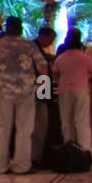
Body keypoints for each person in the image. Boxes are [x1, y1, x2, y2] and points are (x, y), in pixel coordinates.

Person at [0, 17, 44, 175]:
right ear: (19, 28)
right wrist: (42, 88)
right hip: (26, 89)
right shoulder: (28, 44)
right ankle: (22, 165)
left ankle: (1, 165)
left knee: (3, 128)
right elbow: (42, 66)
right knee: (24, 129)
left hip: (4, 90)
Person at [53, 29, 92, 153]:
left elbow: (55, 74)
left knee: (66, 121)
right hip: (81, 89)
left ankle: (69, 149)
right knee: (82, 121)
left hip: (64, 90)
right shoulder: (85, 58)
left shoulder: (60, 58)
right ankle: (86, 151)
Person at [31, 25, 58, 168]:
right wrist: (44, 95)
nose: (51, 43)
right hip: (38, 94)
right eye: (50, 40)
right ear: (43, 36)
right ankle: (35, 157)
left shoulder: (38, 50)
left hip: (37, 92)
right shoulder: (35, 51)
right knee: (40, 125)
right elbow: (42, 73)